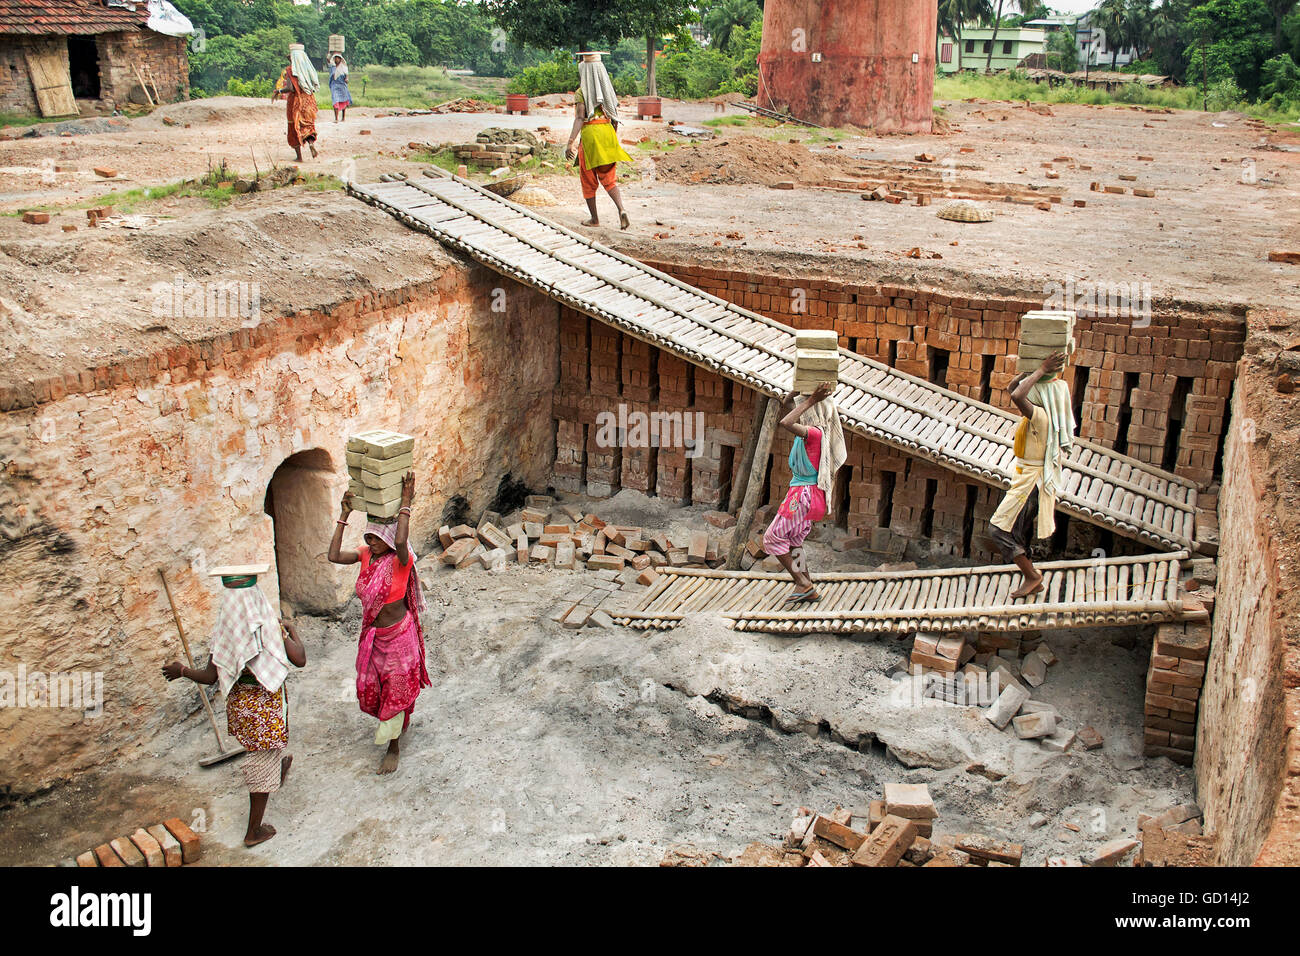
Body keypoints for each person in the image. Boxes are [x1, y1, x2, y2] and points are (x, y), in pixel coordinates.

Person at [163, 565, 307, 847]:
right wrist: (293, 632)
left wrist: (182, 670)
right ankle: (254, 831)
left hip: (241, 705)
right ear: (256, 596)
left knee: (264, 749)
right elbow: (299, 659)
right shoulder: (270, 627)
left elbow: (208, 677)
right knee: (261, 760)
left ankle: (277, 769)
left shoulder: (224, 633)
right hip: (266, 707)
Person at [328, 472, 430, 775]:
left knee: (395, 691)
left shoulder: (401, 560)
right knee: (378, 689)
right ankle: (396, 726)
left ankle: (393, 747)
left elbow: (401, 538)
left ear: (387, 539)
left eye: (375, 538)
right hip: (374, 638)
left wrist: (406, 501)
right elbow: (333, 555)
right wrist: (344, 515)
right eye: (368, 538)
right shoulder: (364, 556)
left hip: (399, 639)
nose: (371, 543)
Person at [989, 350, 1073, 598]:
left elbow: (1017, 394)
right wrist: (1033, 366)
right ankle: (1032, 578)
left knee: (998, 530)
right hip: (1026, 478)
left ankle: (1032, 576)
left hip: (1030, 484)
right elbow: (1012, 388)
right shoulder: (1042, 413)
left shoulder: (1042, 417)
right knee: (1017, 531)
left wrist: (1041, 370)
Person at [763, 381, 847, 603]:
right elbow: (789, 405)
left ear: (816, 410)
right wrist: (801, 386)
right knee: (794, 542)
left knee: (771, 538)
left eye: (809, 407)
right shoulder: (813, 431)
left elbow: (785, 421)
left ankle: (801, 583)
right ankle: (808, 584)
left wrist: (811, 400)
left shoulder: (815, 434)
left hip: (802, 496)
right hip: (807, 495)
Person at [564, 52, 632, 230]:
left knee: (588, 179)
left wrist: (570, 142)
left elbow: (580, 118)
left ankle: (594, 219)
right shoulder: (607, 90)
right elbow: (614, 117)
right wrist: (612, 138)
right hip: (608, 133)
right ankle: (622, 209)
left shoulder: (582, 92)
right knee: (609, 179)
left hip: (591, 137)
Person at [272, 43, 319, 161]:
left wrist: (279, 91)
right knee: (308, 125)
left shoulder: (290, 70)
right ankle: (311, 144)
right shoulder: (308, 69)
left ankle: (299, 157)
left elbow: (291, 88)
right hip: (309, 100)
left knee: (294, 126)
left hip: (296, 102)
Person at [328, 53, 351, 123]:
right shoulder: (332, 67)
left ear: (340, 59)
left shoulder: (344, 67)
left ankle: (343, 117)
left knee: (343, 101)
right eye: (335, 58)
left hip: (342, 85)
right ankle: (336, 118)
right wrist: (329, 53)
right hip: (334, 85)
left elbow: (347, 76)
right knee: (335, 100)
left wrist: (346, 79)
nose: (336, 59)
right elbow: (328, 60)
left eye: (338, 58)